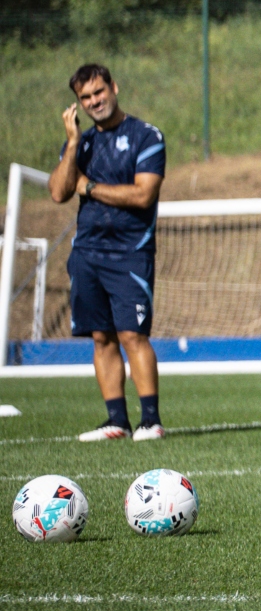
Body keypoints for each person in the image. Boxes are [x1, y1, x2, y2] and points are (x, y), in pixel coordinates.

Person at [48, 64, 168, 442]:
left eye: (99, 92)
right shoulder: (80, 144)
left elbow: (142, 194)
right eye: (85, 97)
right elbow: (57, 192)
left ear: (114, 87)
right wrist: (70, 144)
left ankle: (150, 420)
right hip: (87, 252)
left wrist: (89, 187)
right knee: (101, 337)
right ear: (78, 104)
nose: (94, 101)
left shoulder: (145, 135)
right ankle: (116, 420)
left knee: (133, 334)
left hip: (130, 251)